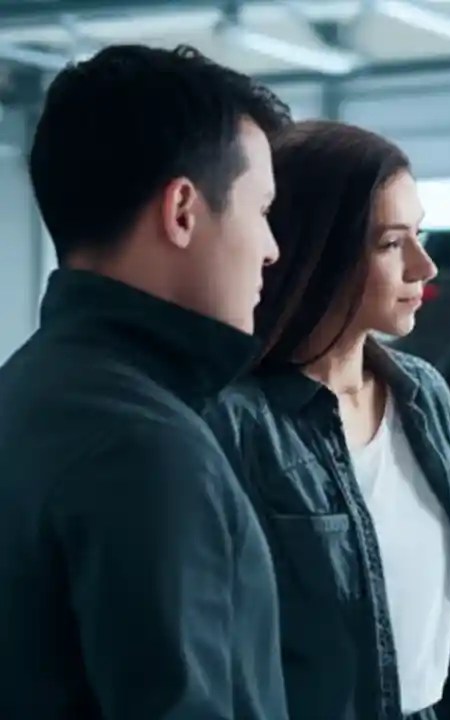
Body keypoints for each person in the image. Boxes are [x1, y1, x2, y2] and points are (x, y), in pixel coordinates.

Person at [0, 45, 292, 719]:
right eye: (262, 209)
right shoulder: (145, 448)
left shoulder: (28, 392)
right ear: (183, 210)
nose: (272, 247)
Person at [204, 120, 450, 720]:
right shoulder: (234, 422)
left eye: (421, 235)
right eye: (392, 244)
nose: (425, 267)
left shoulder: (425, 394)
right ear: (320, 252)